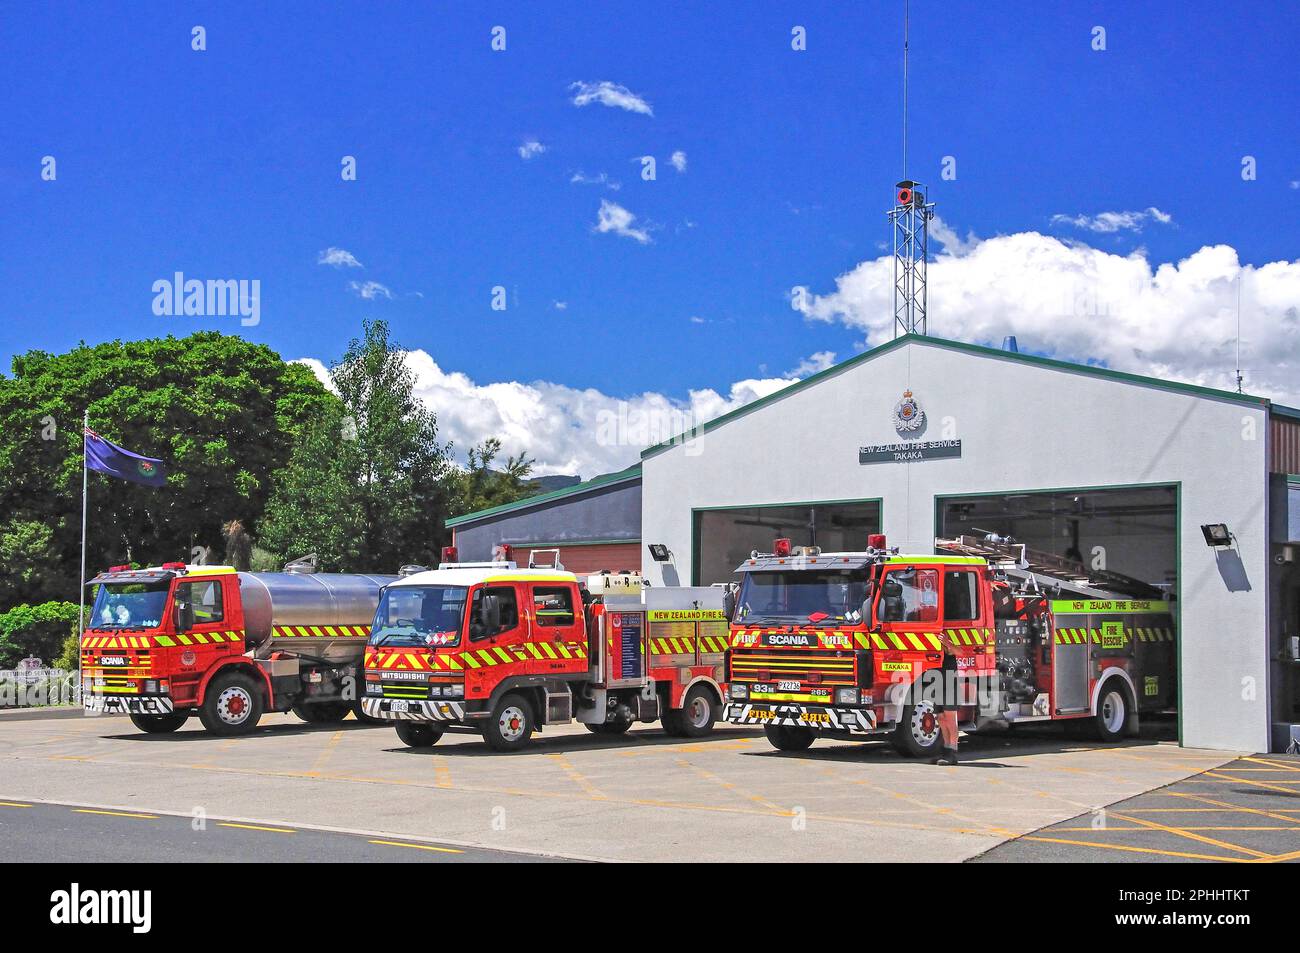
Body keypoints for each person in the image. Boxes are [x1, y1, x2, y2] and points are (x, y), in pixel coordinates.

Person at [930, 629, 961, 766]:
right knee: (941, 718)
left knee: (950, 718)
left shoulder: (950, 642)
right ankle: (946, 749)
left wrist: (947, 643)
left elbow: (961, 652)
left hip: (950, 682)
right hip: (937, 682)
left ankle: (953, 752)